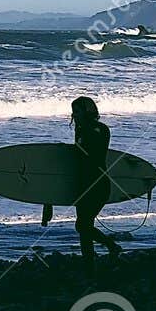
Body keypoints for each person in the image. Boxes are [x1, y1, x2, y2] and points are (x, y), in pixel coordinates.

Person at [41, 95, 121, 265]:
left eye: (77, 112)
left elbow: (91, 155)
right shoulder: (81, 130)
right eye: (73, 112)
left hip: (98, 182)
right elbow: (80, 158)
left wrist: (70, 151)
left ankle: (110, 247)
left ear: (87, 112)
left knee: (83, 226)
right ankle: (91, 263)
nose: (74, 115)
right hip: (83, 184)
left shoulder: (100, 129)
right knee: (84, 227)